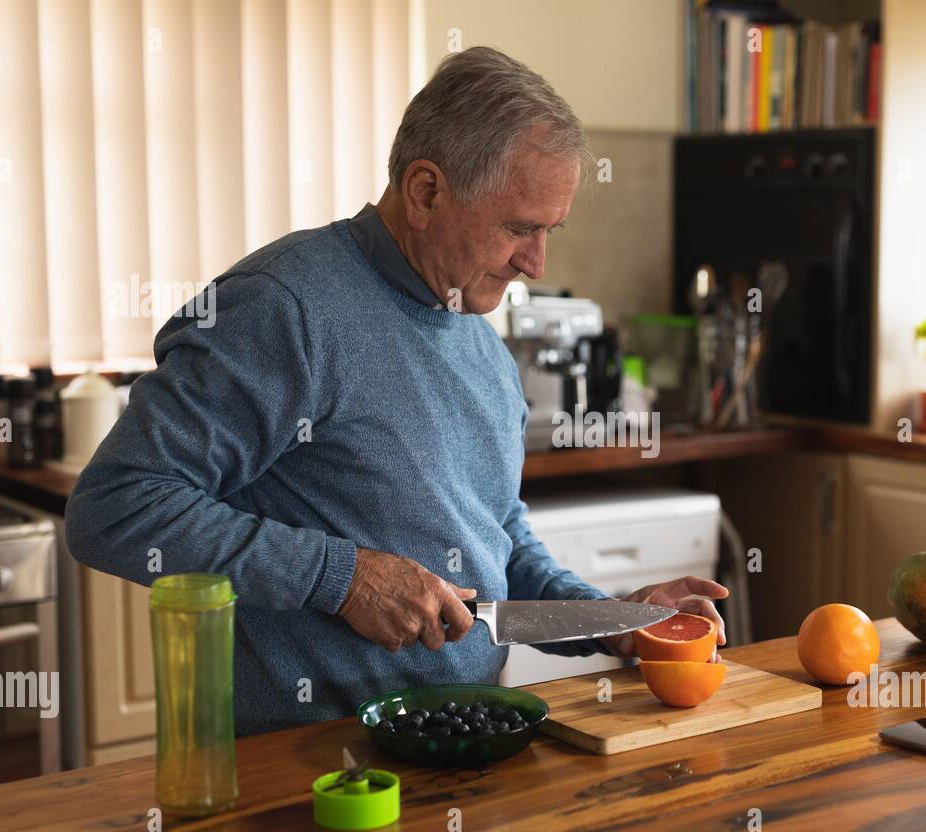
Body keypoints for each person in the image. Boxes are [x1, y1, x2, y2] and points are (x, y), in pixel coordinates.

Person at [65, 46, 728, 735]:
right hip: (300, 779)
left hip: (459, 752)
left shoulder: (475, 331)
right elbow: (114, 507)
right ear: (425, 192)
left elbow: (496, 545)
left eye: (549, 231)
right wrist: (344, 577)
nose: (536, 263)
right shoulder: (282, 310)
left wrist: (614, 621)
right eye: (518, 228)